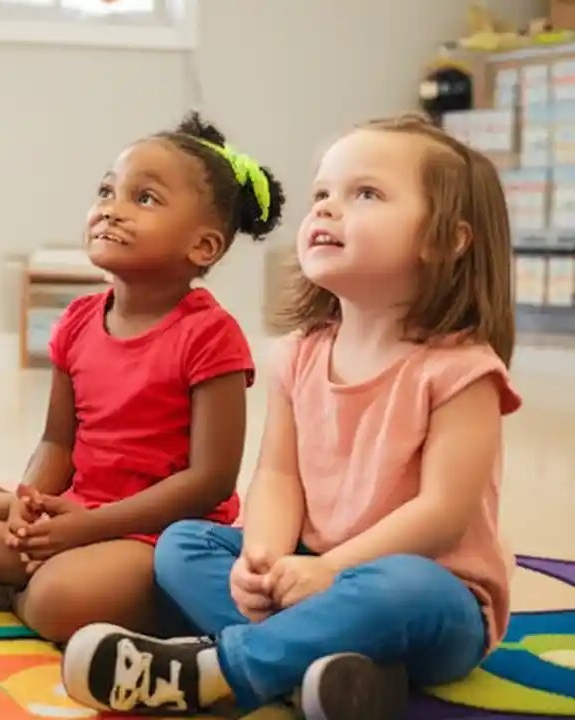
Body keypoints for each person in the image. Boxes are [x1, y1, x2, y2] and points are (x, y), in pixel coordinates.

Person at [61, 115, 520, 720]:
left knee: (408, 585)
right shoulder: (299, 354)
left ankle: (224, 671)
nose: (327, 210)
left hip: (430, 599)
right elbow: (278, 477)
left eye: (366, 194)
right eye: (322, 195)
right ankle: (334, 674)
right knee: (183, 544)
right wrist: (266, 557)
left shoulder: (463, 371)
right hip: (309, 567)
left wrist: (330, 570)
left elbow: (441, 516)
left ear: (445, 240)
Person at [0, 113, 285, 644]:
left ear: (203, 247)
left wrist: (88, 527)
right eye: (107, 190)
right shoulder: (77, 320)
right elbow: (58, 440)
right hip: (78, 508)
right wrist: (32, 500)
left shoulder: (212, 336)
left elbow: (209, 482)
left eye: (143, 199)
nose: (110, 209)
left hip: (155, 534)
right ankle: (21, 581)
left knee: (58, 600)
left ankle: (2, 591)